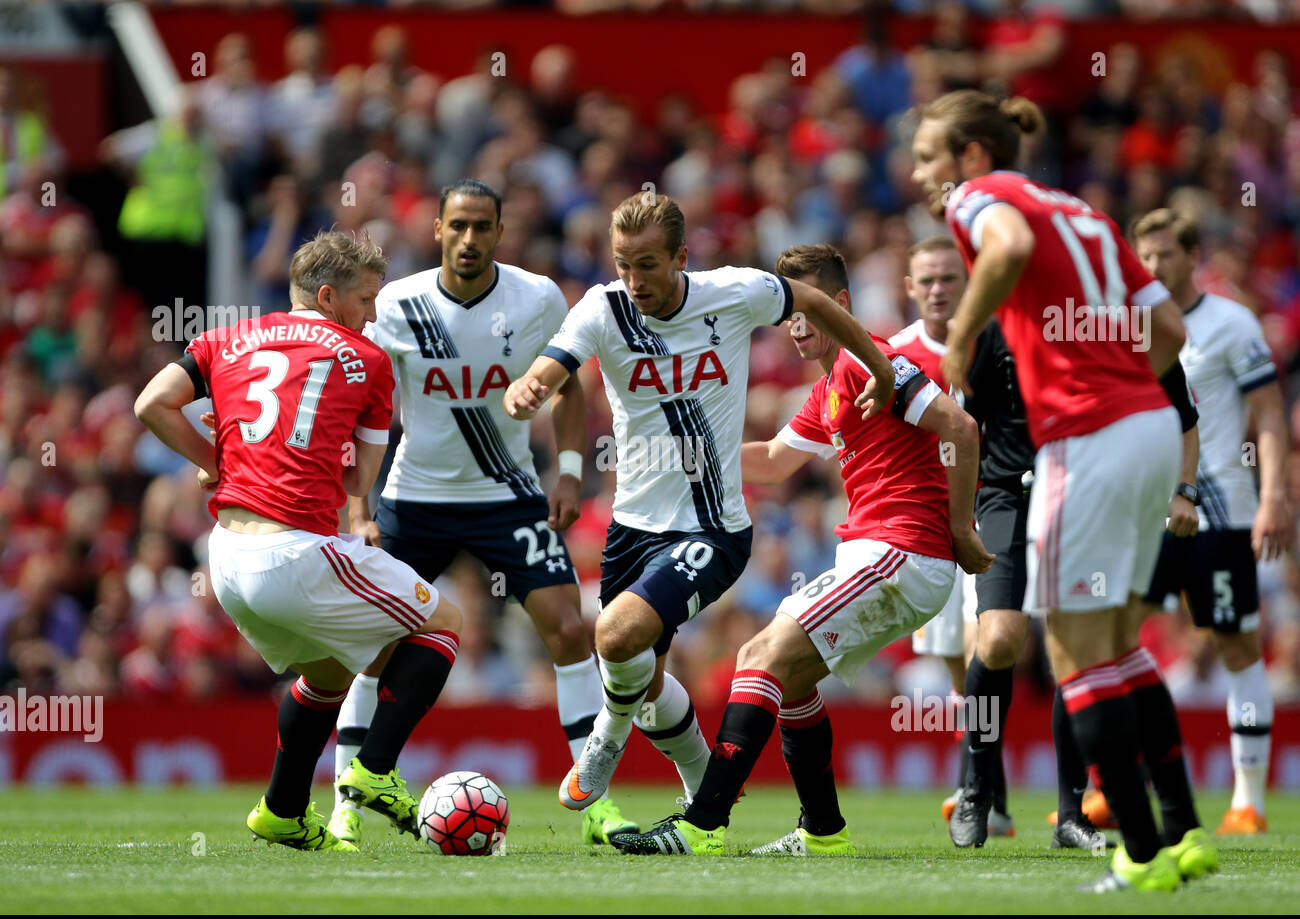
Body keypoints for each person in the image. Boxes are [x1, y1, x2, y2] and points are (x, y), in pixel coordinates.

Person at [505, 196, 900, 816]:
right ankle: (702, 782)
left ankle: (605, 738)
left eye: (648, 264)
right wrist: (532, 384)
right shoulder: (604, 308)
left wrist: (879, 368)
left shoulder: (734, 292)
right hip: (632, 525)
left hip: (714, 527)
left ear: (681, 258)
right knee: (649, 681)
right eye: (622, 264)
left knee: (614, 634)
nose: (634, 281)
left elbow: (817, 303)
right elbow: (556, 365)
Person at [920, 90, 1215, 891]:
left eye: (927, 158)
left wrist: (958, 337)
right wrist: (1116, 386)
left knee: (1069, 649)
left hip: (1086, 440)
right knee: (1116, 642)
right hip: (1150, 429)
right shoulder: (1082, 210)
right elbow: (1172, 335)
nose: (919, 175)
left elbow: (1005, 247)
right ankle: (1182, 834)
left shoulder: (986, 200)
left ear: (971, 158)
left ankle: (1141, 855)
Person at [607, 242, 990, 855]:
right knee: (790, 681)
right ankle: (824, 832)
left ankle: (702, 824)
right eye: (789, 313)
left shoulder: (876, 363)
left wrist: (963, 527)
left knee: (758, 654)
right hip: (878, 557)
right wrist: (675, 458)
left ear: (841, 304)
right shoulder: (832, 383)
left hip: (900, 553)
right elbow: (776, 462)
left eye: (809, 310)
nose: (797, 324)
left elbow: (961, 426)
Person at [330, 179, 636, 847]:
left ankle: (595, 804)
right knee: (376, 647)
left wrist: (571, 473)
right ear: (436, 228)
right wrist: (361, 507)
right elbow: (365, 411)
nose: (470, 240)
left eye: (482, 227)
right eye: (458, 226)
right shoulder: (397, 305)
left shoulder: (537, 298)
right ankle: (346, 801)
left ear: (501, 232)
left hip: (510, 498)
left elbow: (570, 389)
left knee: (567, 629)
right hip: (414, 501)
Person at [134, 231, 462, 852]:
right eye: (366, 299)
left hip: (228, 556)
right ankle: (375, 769)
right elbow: (360, 481)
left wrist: (218, 461)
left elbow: (151, 403)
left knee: (330, 672)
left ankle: (282, 811)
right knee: (446, 621)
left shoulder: (224, 340)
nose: (372, 315)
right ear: (330, 294)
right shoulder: (367, 360)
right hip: (293, 552)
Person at [1134, 208, 1291, 836]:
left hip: (1221, 508)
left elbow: (1272, 417)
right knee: (1113, 637)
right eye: (1144, 256)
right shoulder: (1127, 326)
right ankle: (1106, 787)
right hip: (1144, 508)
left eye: (1166, 254)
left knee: (1236, 644)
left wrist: (1275, 496)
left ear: (1193, 255)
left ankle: (1247, 799)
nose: (1153, 267)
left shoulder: (1231, 323)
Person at [889, 236, 1013, 844]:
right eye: (927, 280)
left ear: (967, 286)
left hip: (989, 514)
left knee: (983, 643)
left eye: (949, 279)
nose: (938, 289)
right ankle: (997, 790)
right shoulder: (897, 353)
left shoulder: (992, 343)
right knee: (955, 668)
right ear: (910, 287)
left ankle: (977, 789)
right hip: (924, 525)